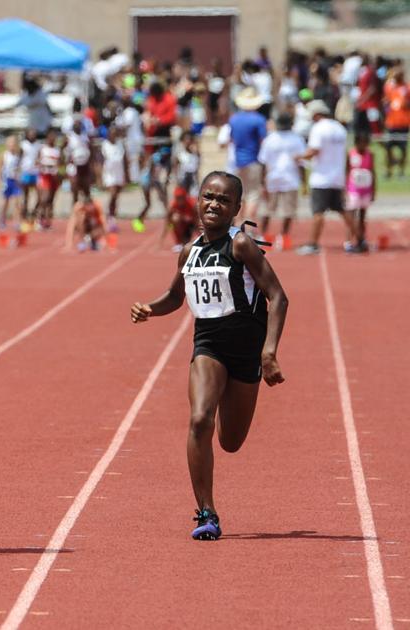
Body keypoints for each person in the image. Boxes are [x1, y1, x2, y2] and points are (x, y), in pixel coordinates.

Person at [131, 171, 289, 541]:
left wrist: (269, 351)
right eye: (208, 197)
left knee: (230, 441)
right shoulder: (190, 251)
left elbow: (278, 297)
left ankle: (226, 413)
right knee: (200, 418)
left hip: (246, 350)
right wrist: (150, 309)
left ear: (236, 208)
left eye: (223, 200)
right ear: (198, 202)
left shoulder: (242, 246)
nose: (214, 204)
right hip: (209, 345)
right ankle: (207, 512)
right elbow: (175, 297)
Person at [298, 100, 360, 255]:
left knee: (318, 212)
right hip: (336, 177)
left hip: (321, 178)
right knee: (342, 210)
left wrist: (297, 157)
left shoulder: (319, 128)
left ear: (317, 114)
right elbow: (344, 154)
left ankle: (313, 243)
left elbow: (314, 150)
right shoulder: (340, 128)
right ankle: (361, 238)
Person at [256, 111, 305, 250]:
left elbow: (263, 163)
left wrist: (262, 182)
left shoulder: (270, 139)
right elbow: (301, 162)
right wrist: (304, 181)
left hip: (272, 178)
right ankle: (283, 237)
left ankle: (263, 236)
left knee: (267, 209)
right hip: (291, 178)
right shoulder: (297, 139)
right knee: (288, 210)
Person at [228, 87, 267, 220]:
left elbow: (232, 139)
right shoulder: (259, 120)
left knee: (240, 194)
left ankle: (237, 223)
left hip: (237, 160)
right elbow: (263, 141)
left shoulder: (234, 119)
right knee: (253, 194)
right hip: (253, 159)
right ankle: (248, 224)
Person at [345, 132, 375, 253]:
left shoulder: (370, 154)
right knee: (351, 216)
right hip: (353, 189)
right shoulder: (351, 154)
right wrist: (344, 189)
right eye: (361, 143)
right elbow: (346, 171)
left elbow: (373, 172)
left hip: (365, 189)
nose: (363, 146)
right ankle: (348, 241)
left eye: (365, 143)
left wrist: (374, 190)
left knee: (362, 216)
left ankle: (361, 239)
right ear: (356, 143)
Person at [383, 68, 410, 178]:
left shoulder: (407, 88)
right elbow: (385, 101)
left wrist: (405, 104)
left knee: (403, 149)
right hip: (391, 123)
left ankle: (401, 171)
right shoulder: (389, 87)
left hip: (403, 123)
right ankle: (388, 170)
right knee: (388, 147)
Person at [101, 125, 129, 228]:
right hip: (109, 174)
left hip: (119, 173)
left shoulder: (120, 145)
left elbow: (125, 161)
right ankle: (108, 215)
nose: (114, 134)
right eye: (112, 132)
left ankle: (112, 217)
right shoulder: (105, 145)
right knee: (112, 194)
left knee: (116, 196)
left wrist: (127, 175)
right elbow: (100, 162)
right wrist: (99, 177)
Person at [0, 134, 23, 231]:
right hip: (6, 181)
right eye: (10, 143)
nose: (12, 145)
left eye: (14, 143)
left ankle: (17, 222)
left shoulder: (18, 155)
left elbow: (19, 168)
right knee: (5, 202)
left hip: (15, 181)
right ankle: (2, 220)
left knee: (17, 203)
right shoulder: (4, 155)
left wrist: (20, 177)